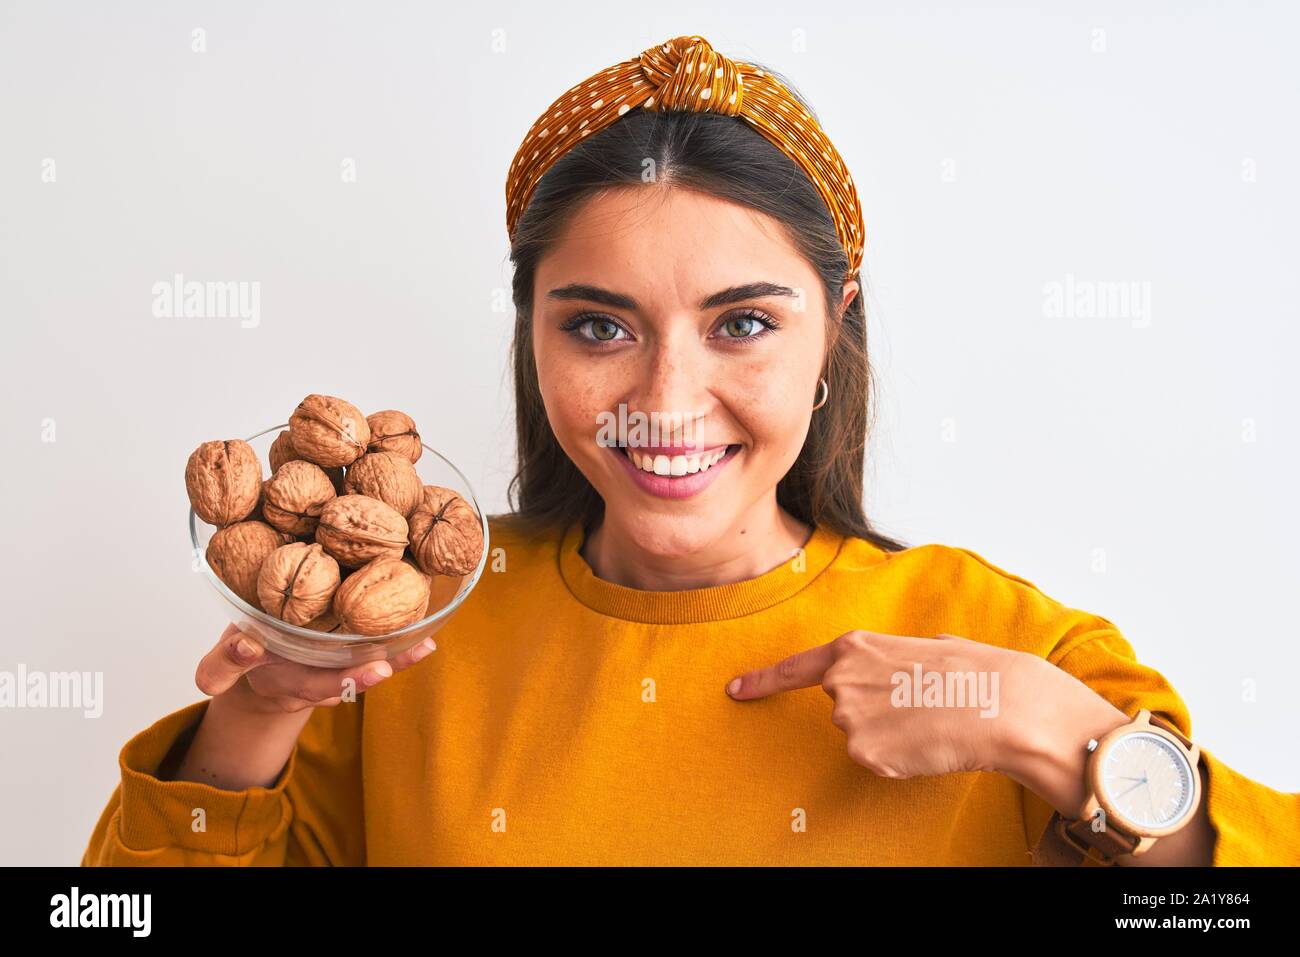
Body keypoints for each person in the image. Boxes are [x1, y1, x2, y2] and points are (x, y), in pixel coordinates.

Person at [84, 34, 1298, 866]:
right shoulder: (402, 638)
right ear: (533, 337)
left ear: (835, 332)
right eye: (600, 325)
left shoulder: (996, 637)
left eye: (744, 323)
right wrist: (260, 714)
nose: (667, 398)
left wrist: (1038, 726)